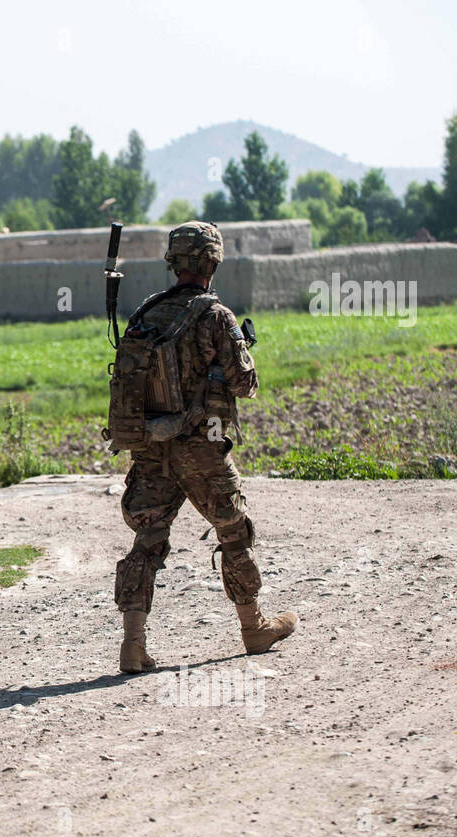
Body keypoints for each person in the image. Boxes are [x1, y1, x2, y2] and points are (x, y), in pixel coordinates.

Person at [110, 221, 297, 674]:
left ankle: (133, 646)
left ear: (173, 262)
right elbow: (245, 384)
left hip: (152, 447)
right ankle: (254, 629)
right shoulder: (216, 316)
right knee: (233, 531)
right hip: (203, 446)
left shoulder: (144, 315)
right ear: (213, 262)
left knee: (148, 539)